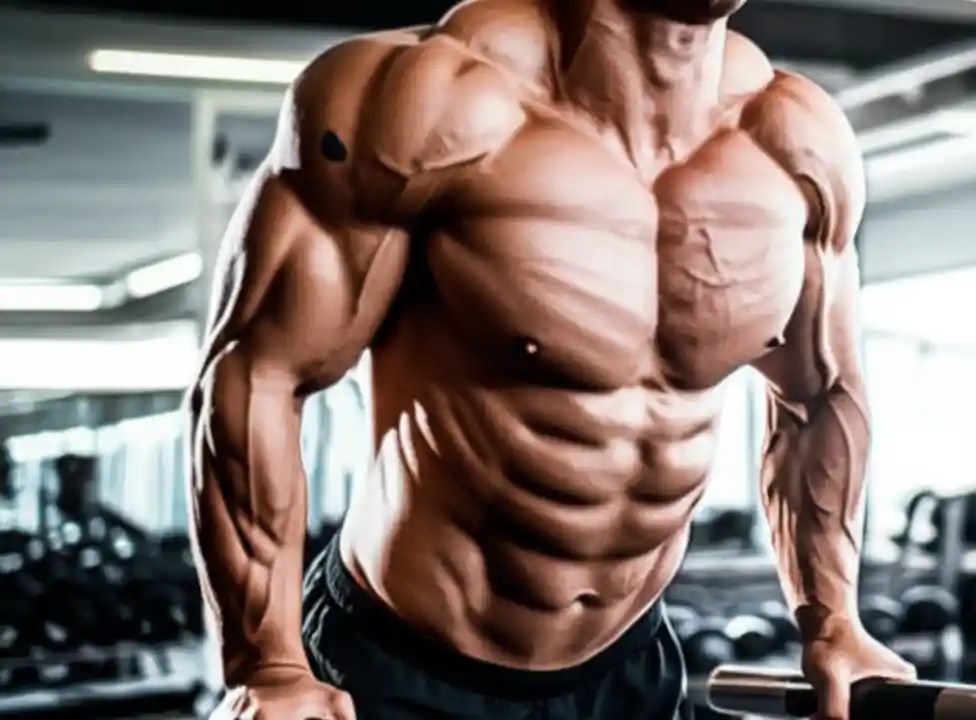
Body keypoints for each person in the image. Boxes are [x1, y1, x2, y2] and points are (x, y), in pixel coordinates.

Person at [187, 0, 915, 718]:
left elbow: (821, 398)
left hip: (629, 669)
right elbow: (257, 377)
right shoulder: (418, 104)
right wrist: (270, 666)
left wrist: (834, 623)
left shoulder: (795, 143)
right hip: (403, 667)